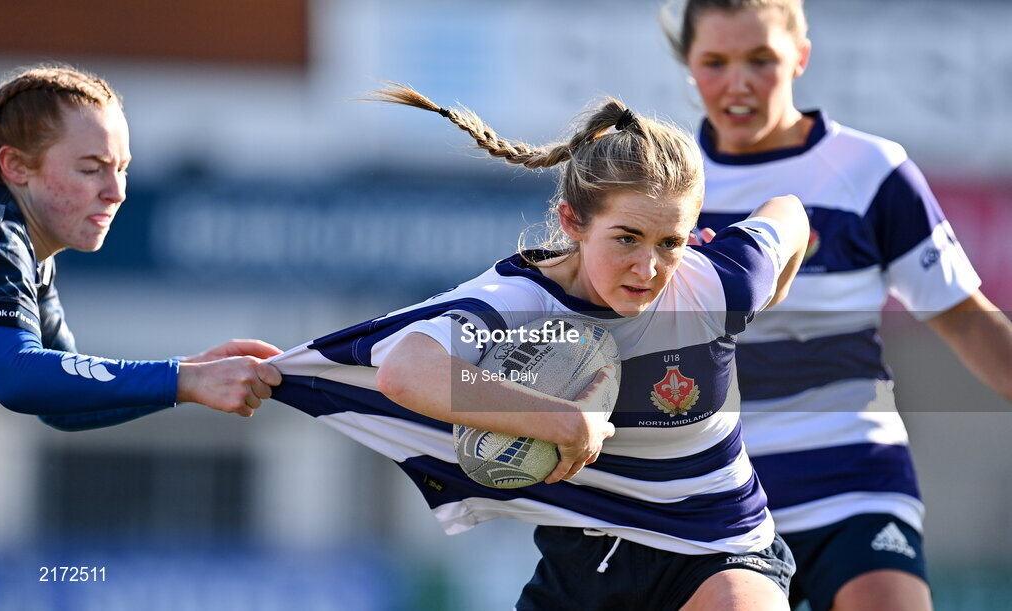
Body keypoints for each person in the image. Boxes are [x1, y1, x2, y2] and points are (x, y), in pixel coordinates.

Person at [271, 83, 810, 610]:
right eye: (626, 237)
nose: (647, 268)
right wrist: (561, 423)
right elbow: (405, 370)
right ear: (572, 221)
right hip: (583, 565)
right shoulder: (517, 301)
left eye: (669, 242)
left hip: (722, 548)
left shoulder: (722, 284)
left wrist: (766, 296)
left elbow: (791, 212)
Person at [660, 1, 1012, 609]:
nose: (738, 82)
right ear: (689, 67)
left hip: (855, 477)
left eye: (761, 59)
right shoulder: (664, 187)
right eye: (716, 61)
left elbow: (966, 320)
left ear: (800, 57)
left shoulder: (870, 170)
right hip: (716, 493)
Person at [0, 64, 283, 430]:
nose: (117, 192)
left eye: (122, 169)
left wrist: (192, 370)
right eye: (91, 169)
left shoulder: (27, 247)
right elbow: (16, 376)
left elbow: (63, 403)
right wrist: (184, 380)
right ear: (15, 165)